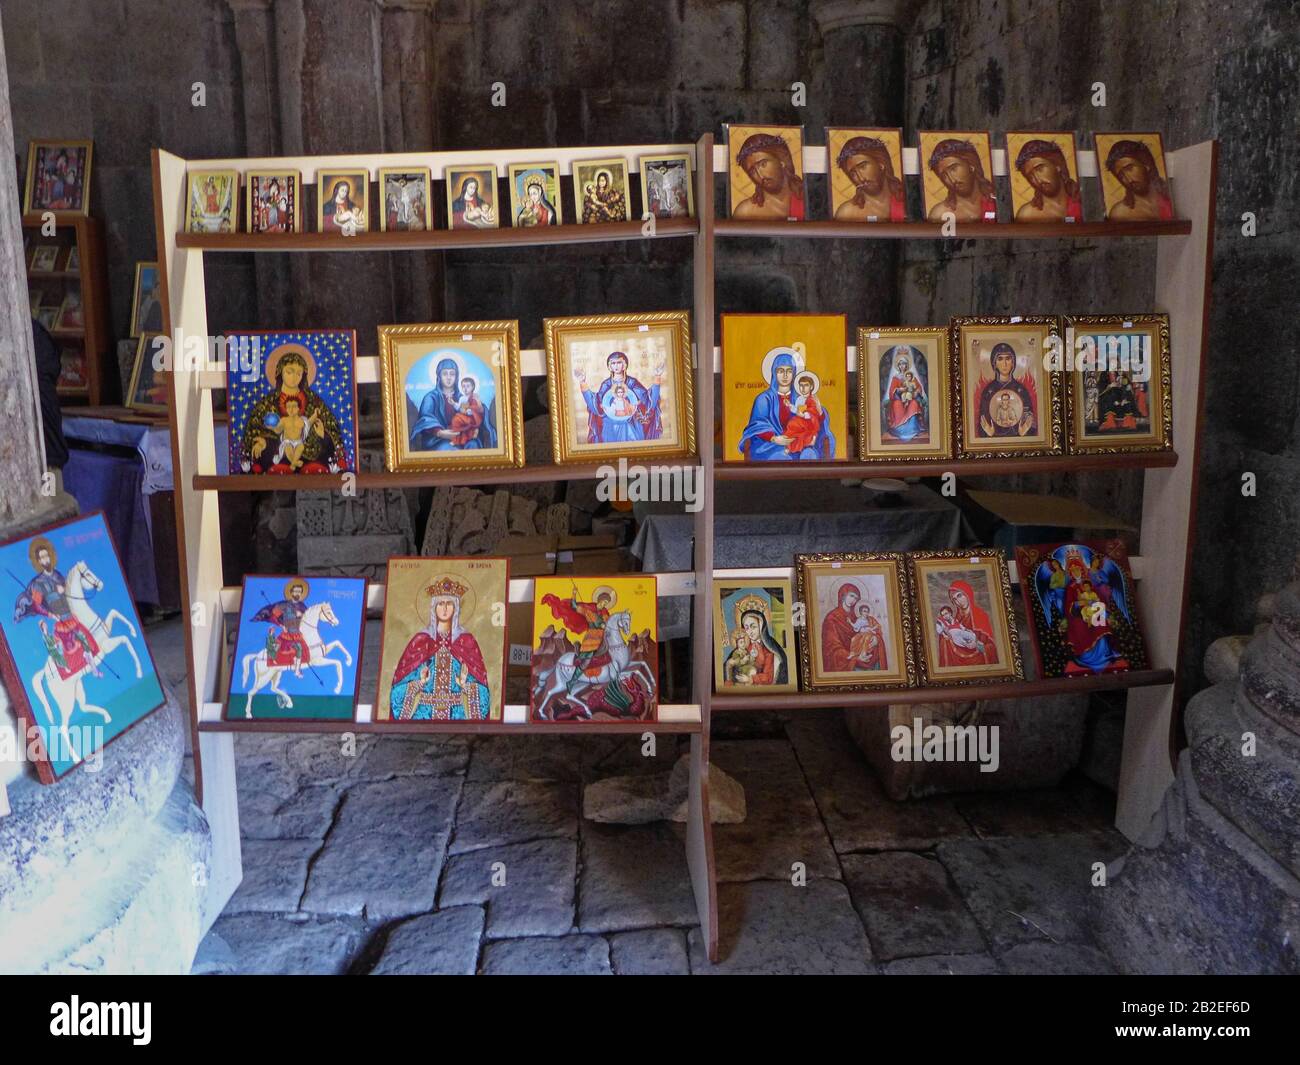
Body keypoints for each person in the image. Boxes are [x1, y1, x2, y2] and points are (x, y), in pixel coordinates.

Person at [388, 577, 491, 720]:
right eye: (440, 603)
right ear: (433, 608)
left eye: (449, 603)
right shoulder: (421, 641)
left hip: (458, 714)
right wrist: (421, 682)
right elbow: (397, 691)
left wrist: (465, 684)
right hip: (423, 713)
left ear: (456, 608)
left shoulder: (466, 642)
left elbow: (484, 692)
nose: (444, 608)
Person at [240, 345, 348, 473]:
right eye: (289, 372)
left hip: (309, 452)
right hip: (279, 451)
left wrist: (323, 435)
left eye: (298, 373)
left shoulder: (314, 401)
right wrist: (263, 441)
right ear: (280, 372)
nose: (294, 377)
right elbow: (257, 429)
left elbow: (331, 429)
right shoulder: (267, 403)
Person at [14, 538, 101, 680]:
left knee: (88, 642)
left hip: (71, 616)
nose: (45, 559)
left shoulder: (58, 575)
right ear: (39, 562)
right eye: (42, 558)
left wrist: (65, 589)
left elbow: (69, 593)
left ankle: (94, 669)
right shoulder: (38, 583)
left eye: (46, 555)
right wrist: (49, 614)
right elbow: (37, 605)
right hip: (60, 621)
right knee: (67, 650)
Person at [738, 347, 834, 460]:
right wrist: (774, 438)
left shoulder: (801, 398)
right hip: (770, 445)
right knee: (781, 457)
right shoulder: (764, 399)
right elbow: (757, 426)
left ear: (794, 374)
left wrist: (819, 410)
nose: (785, 375)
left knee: (809, 455)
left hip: (798, 442)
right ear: (774, 372)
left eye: (789, 371)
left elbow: (814, 419)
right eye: (780, 371)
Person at [409, 357, 497, 451]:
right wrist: (440, 433)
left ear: (456, 376)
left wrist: (480, 407)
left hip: (463, 435)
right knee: (450, 449)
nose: (449, 377)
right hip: (439, 440)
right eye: (445, 374)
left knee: (473, 445)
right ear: (439, 376)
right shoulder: (431, 397)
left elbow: (474, 412)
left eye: (452, 374)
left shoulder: (462, 397)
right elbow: (425, 418)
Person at [576, 350, 662, 444]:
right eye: (613, 363)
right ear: (610, 366)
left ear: (624, 365)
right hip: (610, 425)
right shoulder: (606, 384)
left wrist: (657, 377)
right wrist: (582, 382)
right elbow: (596, 404)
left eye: (619, 363)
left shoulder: (632, 383)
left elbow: (648, 400)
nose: (616, 366)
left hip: (631, 424)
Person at [732, 132, 805, 220]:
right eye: (752, 171)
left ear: (781, 160)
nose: (760, 175)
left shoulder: (807, 200)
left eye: (763, 164)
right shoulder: (746, 212)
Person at [834, 136, 907, 221]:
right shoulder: (847, 212)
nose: (861, 178)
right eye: (853, 173)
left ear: (881, 163)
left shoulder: (906, 202)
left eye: (863, 166)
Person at [926, 138, 997, 222]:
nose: (952, 180)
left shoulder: (998, 204)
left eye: (954, 168)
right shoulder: (940, 214)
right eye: (944, 175)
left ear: (971, 164)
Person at [252, 579, 312, 678]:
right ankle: (293, 669)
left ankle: (297, 668)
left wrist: (302, 614)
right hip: (287, 633)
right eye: (295, 591)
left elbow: (307, 617)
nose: (297, 593)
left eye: (299, 592)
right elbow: (274, 614)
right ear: (291, 592)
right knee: (293, 648)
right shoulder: (284, 605)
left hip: (298, 632)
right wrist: (281, 625)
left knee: (303, 649)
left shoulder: (302, 606)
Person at [976, 342, 1037, 438]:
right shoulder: (988, 391)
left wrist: (1024, 433)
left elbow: (1031, 423)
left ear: (1013, 363)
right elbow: (982, 425)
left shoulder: (1021, 390)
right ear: (994, 363)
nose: (1004, 364)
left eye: (1008, 359)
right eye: (1000, 359)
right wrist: (989, 434)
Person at [1104, 139, 1174, 221]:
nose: (1129, 180)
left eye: (1130, 168)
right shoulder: (1120, 213)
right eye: (1121, 175)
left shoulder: (1170, 200)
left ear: (1146, 164)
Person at [1013, 139, 1083, 221]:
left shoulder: (1083, 203)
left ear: (1057, 165)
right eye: (1030, 176)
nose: (1037, 180)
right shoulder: (1027, 214)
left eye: (1040, 169)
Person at [937, 580, 998, 666]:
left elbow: (991, 645)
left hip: (977, 655)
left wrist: (977, 644)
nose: (958, 601)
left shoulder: (981, 615)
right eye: (954, 599)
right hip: (958, 655)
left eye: (959, 595)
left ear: (967, 593)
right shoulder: (955, 618)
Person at [725, 605, 788, 685]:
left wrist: (750, 679)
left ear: (761, 626)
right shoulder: (743, 645)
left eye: (753, 627)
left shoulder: (769, 648)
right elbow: (730, 666)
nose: (750, 632)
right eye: (747, 628)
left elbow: (768, 677)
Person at [881, 348, 928, 442]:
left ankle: (913, 429)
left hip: (910, 398)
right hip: (899, 398)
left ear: (907, 365)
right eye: (901, 364)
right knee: (896, 404)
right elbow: (891, 392)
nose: (902, 366)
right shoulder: (896, 378)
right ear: (898, 365)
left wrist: (915, 392)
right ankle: (898, 429)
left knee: (914, 403)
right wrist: (898, 390)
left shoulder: (911, 376)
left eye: (904, 364)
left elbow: (918, 387)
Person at [268, 396, 320, 471]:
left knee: (301, 446)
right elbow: (278, 430)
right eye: (288, 407)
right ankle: (294, 462)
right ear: (286, 408)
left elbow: (310, 422)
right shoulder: (284, 420)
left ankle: (293, 463)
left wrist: (315, 413)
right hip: (287, 441)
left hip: (298, 442)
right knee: (288, 447)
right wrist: (272, 428)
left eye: (294, 406)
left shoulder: (302, 421)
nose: (291, 409)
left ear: (299, 408)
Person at [783, 372, 824, 455]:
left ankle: (810, 440)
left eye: (806, 385)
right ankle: (789, 447)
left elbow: (814, 412)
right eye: (801, 385)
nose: (803, 388)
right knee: (791, 425)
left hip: (810, 422)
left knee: (800, 431)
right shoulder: (799, 399)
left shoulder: (812, 399)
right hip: (800, 421)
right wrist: (789, 405)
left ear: (811, 387)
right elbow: (796, 410)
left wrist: (804, 415)